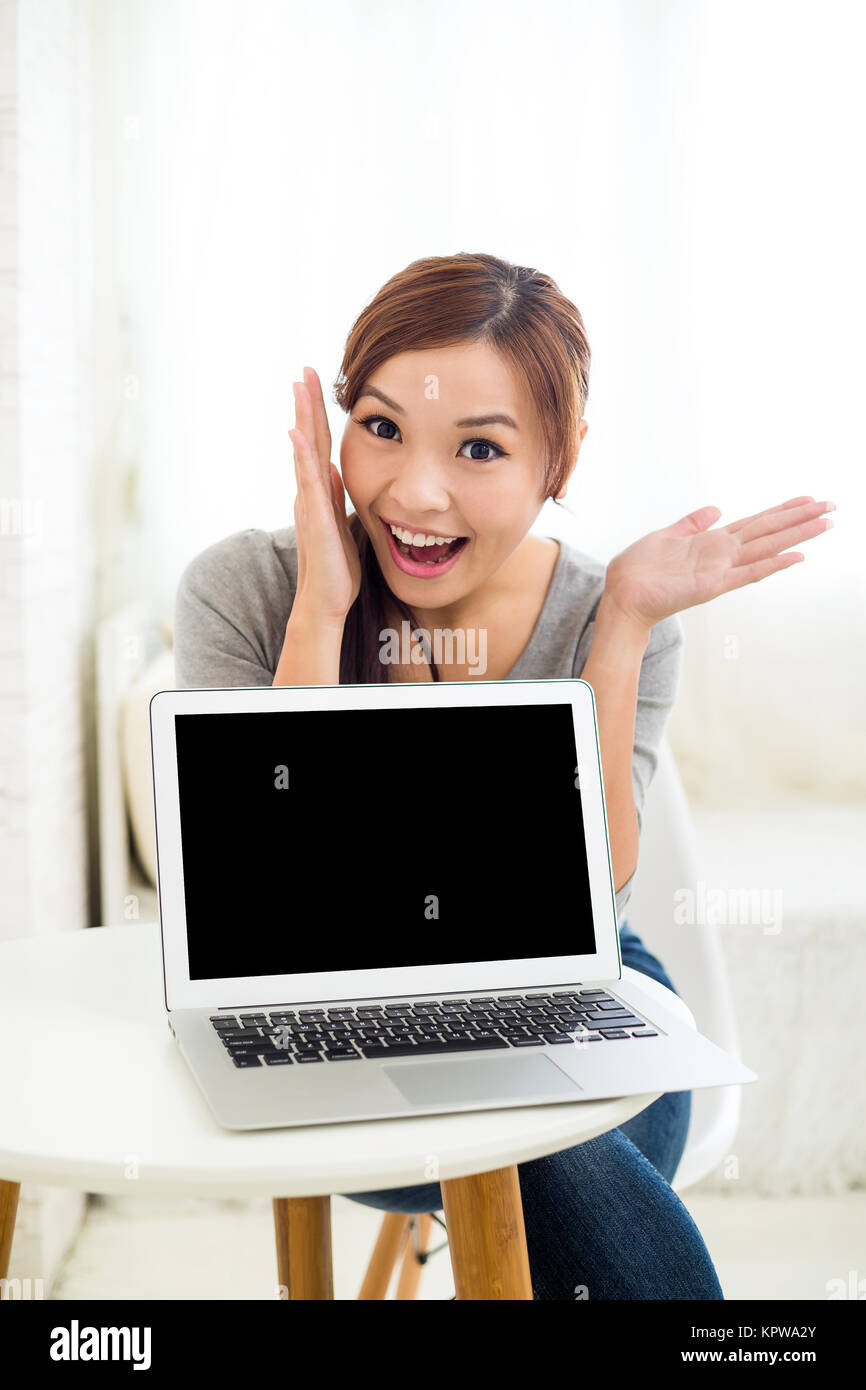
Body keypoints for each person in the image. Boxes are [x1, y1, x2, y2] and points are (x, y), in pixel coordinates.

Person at [173, 252, 834, 1299]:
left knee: (544, 1145)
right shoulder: (243, 589)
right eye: (381, 428)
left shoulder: (608, 611)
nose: (414, 493)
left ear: (556, 461)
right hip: (326, 1024)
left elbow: (597, 896)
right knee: (542, 1155)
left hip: (576, 990)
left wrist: (617, 629)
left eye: (478, 447)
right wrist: (319, 609)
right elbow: (262, 899)